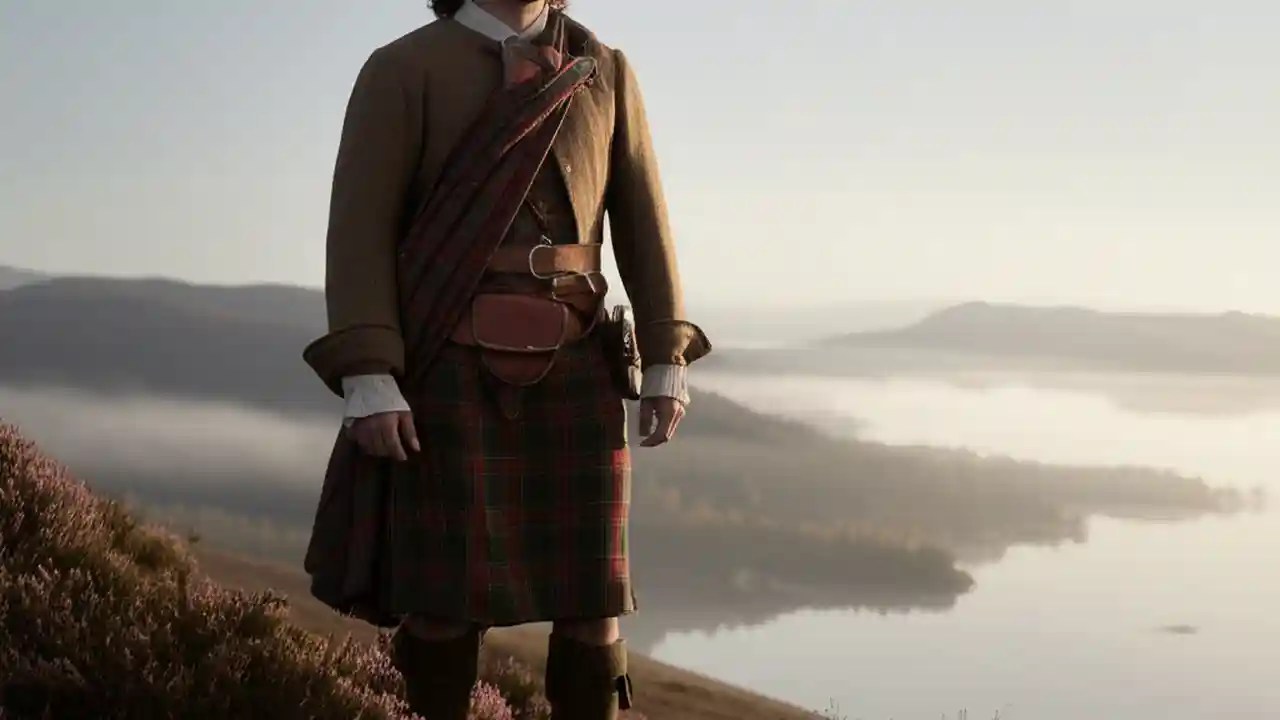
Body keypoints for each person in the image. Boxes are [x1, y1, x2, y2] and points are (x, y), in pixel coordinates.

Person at [300, 0, 711, 718]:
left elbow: (644, 217)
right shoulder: (402, 69)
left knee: (594, 602)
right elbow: (359, 224)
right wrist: (369, 372)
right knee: (442, 606)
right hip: (446, 363)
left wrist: (667, 353)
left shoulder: (605, 71)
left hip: (579, 362)